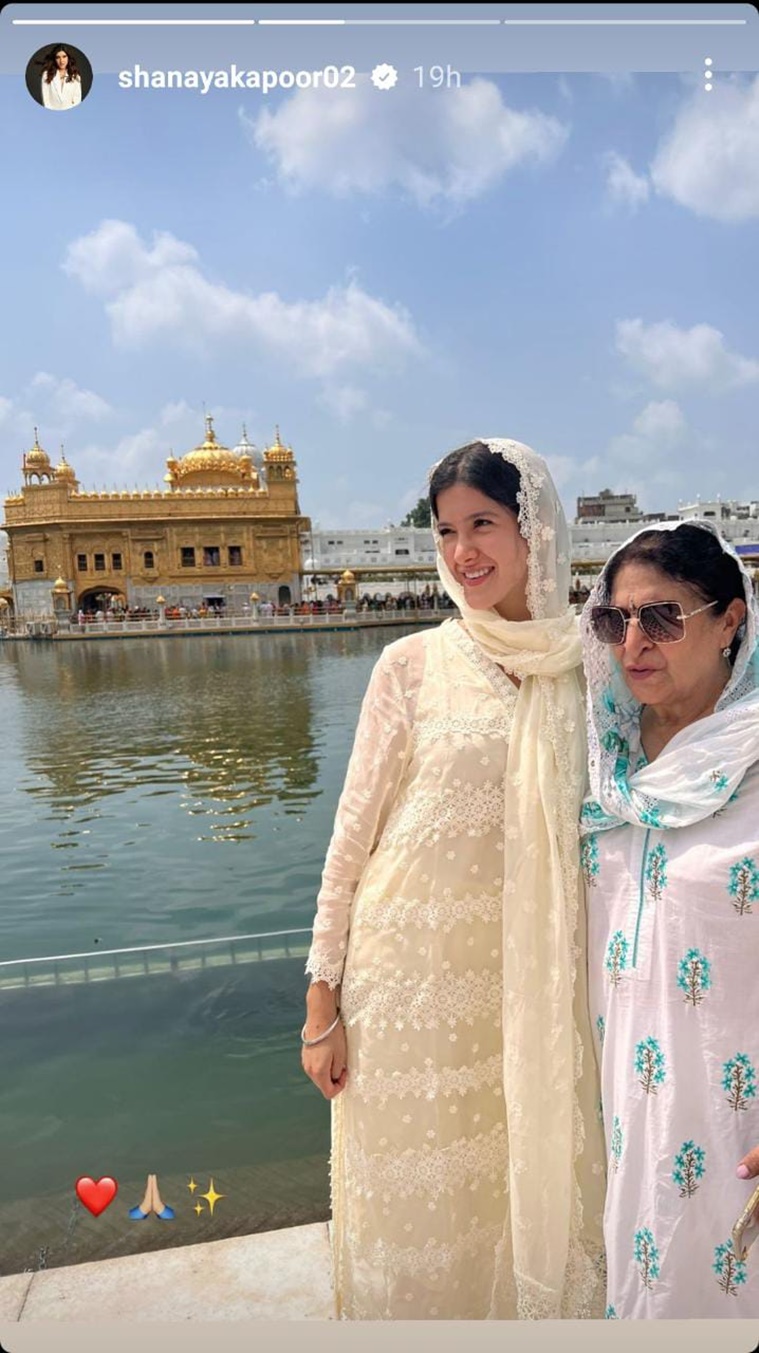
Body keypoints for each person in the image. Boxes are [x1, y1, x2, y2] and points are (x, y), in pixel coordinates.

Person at [302, 439, 606, 1320]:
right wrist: (323, 1004)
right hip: (408, 1001)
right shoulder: (412, 665)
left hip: (528, 1002)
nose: (462, 551)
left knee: (514, 1207)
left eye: (483, 523)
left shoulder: (587, 669)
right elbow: (350, 841)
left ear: (532, 528)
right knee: (418, 1220)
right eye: (445, 531)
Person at [579, 520, 759, 1317]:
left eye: (660, 617)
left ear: (729, 621)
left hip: (740, 1116)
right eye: (613, 621)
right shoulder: (600, 769)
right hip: (628, 1105)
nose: (633, 642)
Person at [40, 46, 82, 110]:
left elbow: (77, 99)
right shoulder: (46, 74)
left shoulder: (76, 76)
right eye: (58, 57)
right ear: (54, 59)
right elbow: (46, 100)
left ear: (68, 57)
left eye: (64, 56)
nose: (61, 61)